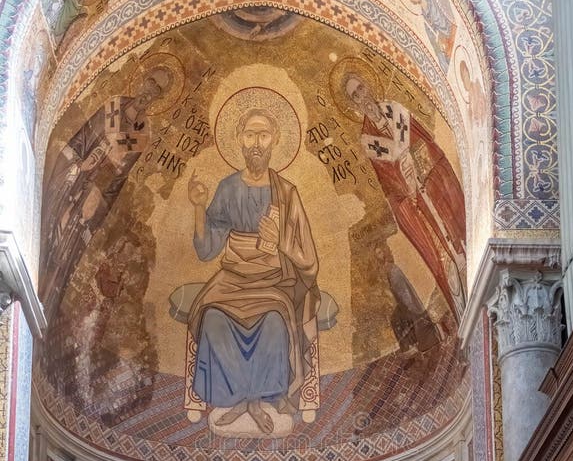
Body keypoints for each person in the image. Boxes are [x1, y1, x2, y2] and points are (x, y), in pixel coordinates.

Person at [187, 107, 320, 436]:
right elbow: (207, 250)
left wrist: (280, 245)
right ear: (239, 141)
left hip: (273, 282)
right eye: (249, 135)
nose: (256, 143)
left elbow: (308, 258)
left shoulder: (287, 193)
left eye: (263, 135)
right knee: (213, 319)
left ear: (274, 141)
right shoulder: (228, 188)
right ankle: (234, 400)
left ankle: (258, 403)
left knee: (275, 325)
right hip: (231, 281)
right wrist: (199, 207)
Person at [40, 63, 174, 318]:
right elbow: (80, 139)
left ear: (160, 98)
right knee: (53, 231)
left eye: (158, 90)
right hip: (74, 178)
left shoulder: (142, 135)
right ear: (142, 79)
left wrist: (97, 202)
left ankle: (45, 304)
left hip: (91, 196)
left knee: (66, 251)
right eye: (150, 83)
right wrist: (79, 166)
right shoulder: (113, 106)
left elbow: (117, 181)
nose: (150, 91)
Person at [342, 71, 466, 322]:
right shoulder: (369, 141)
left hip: (432, 187)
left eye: (361, 89)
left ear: (370, 87)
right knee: (441, 252)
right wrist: (406, 184)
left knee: (456, 238)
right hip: (415, 200)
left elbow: (429, 145)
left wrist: (417, 163)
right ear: (353, 105)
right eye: (355, 96)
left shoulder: (396, 110)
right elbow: (388, 185)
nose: (361, 97)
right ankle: (461, 301)